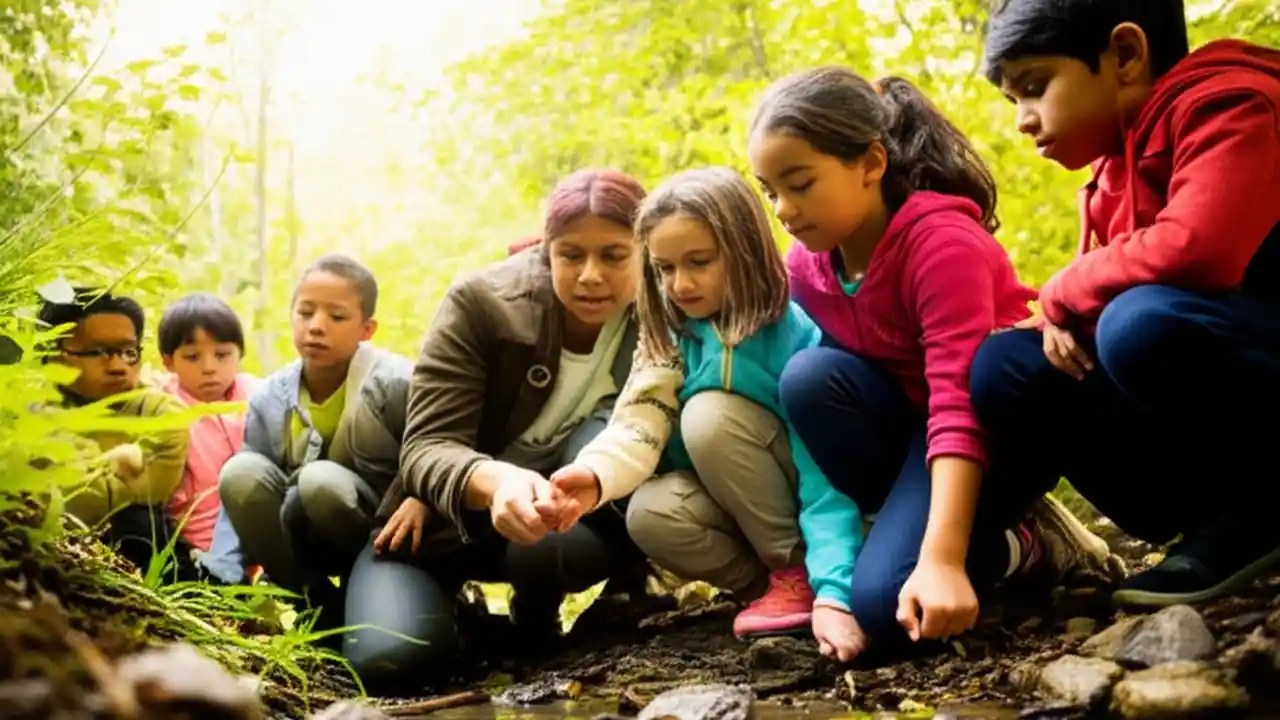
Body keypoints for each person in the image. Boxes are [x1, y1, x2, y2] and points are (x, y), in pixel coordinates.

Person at [748, 67, 1124, 659]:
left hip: (992, 425)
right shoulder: (808, 270)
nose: (784, 210)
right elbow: (843, 400)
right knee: (808, 378)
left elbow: (957, 399)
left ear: (871, 165)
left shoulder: (943, 245)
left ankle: (1022, 542)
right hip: (915, 437)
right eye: (770, 191)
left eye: (800, 184)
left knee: (885, 611)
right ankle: (918, 539)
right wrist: (831, 580)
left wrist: (942, 561)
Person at [972, 0, 1280, 608]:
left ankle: (1261, 512)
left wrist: (1066, 289)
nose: (1023, 121)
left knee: (1137, 325)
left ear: (1127, 54)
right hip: (1208, 394)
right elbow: (1099, 293)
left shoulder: (1234, 104)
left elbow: (1200, 247)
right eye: (1014, 101)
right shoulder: (1113, 170)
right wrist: (1057, 318)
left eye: (1034, 88)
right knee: (1008, 364)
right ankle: (1213, 522)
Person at [343, 169, 650, 692]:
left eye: (614, 256)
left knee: (552, 538)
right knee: (392, 661)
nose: (591, 275)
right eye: (571, 255)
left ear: (643, 249)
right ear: (547, 249)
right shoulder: (482, 303)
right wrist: (499, 482)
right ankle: (461, 619)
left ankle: (555, 610)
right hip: (447, 521)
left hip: (567, 523)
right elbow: (425, 447)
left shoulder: (669, 304)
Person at [548, 167, 863, 654]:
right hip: (733, 500)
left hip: (800, 499)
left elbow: (822, 470)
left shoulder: (789, 330)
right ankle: (766, 590)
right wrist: (593, 475)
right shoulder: (671, 332)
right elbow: (639, 420)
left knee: (708, 416)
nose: (680, 284)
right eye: (665, 268)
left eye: (699, 262)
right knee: (650, 512)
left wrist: (836, 586)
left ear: (743, 251)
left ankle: (802, 574)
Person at [218, 255, 412, 605]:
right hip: (301, 538)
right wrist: (224, 570)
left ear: (366, 329)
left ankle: (369, 593)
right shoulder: (271, 395)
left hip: (380, 536)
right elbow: (245, 495)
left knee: (320, 481)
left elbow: (431, 458)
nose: (316, 327)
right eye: (305, 313)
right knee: (239, 472)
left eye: (336, 317)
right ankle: (311, 601)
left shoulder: (396, 384)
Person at [38, 288, 194, 581]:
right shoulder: (33, 414)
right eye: (97, 352)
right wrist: (117, 472)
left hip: (143, 554)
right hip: (49, 557)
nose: (119, 366)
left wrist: (85, 475)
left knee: (138, 521)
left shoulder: (162, 412)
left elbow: (150, 490)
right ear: (53, 356)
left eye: (128, 352)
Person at [156, 293, 258, 584]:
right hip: (191, 542)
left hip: (254, 531)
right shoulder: (164, 406)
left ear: (240, 354)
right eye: (192, 357)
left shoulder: (257, 395)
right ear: (168, 361)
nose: (209, 367)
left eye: (222, 354)